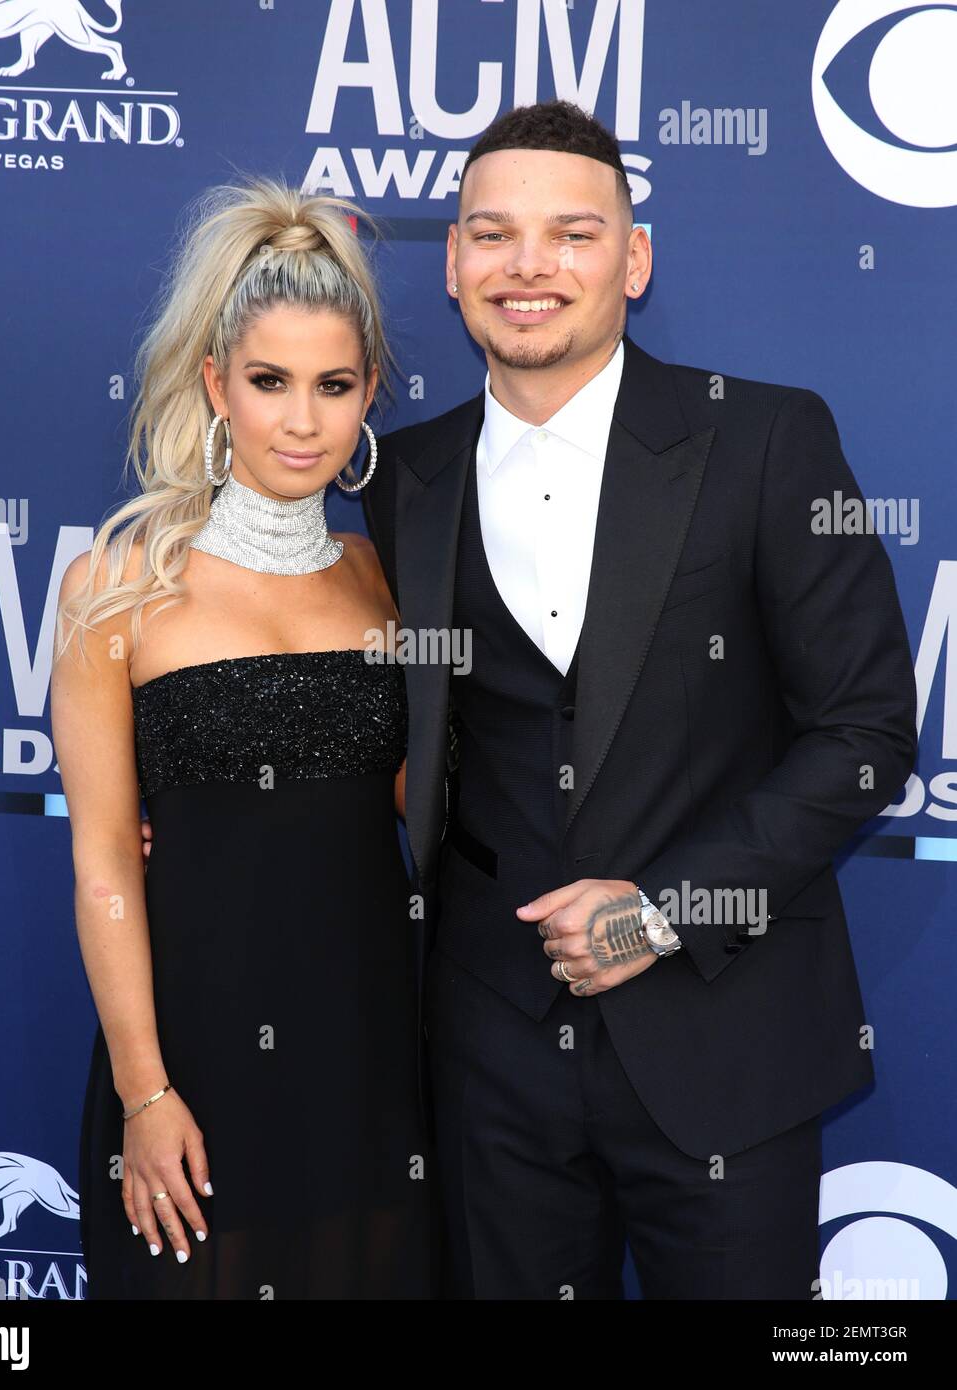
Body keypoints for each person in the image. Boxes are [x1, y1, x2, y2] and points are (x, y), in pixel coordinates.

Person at [360, 100, 919, 1299]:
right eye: (492, 234)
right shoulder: (403, 479)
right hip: (486, 1056)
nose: (528, 267)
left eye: (571, 233)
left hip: (726, 1036)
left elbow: (865, 734)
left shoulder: (765, 439)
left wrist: (661, 909)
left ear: (634, 257)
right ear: (453, 262)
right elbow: (378, 732)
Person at [50, 175, 438, 1299]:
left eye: (335, 385)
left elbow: (432, 804)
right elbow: (104, 862)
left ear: (370, 394)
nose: (303, 420)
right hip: (195, 1056)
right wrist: (143, 1090)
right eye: (270, 382)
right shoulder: (113, 587)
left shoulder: (384, 577)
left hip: (368, 1051)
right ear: (216, 381)